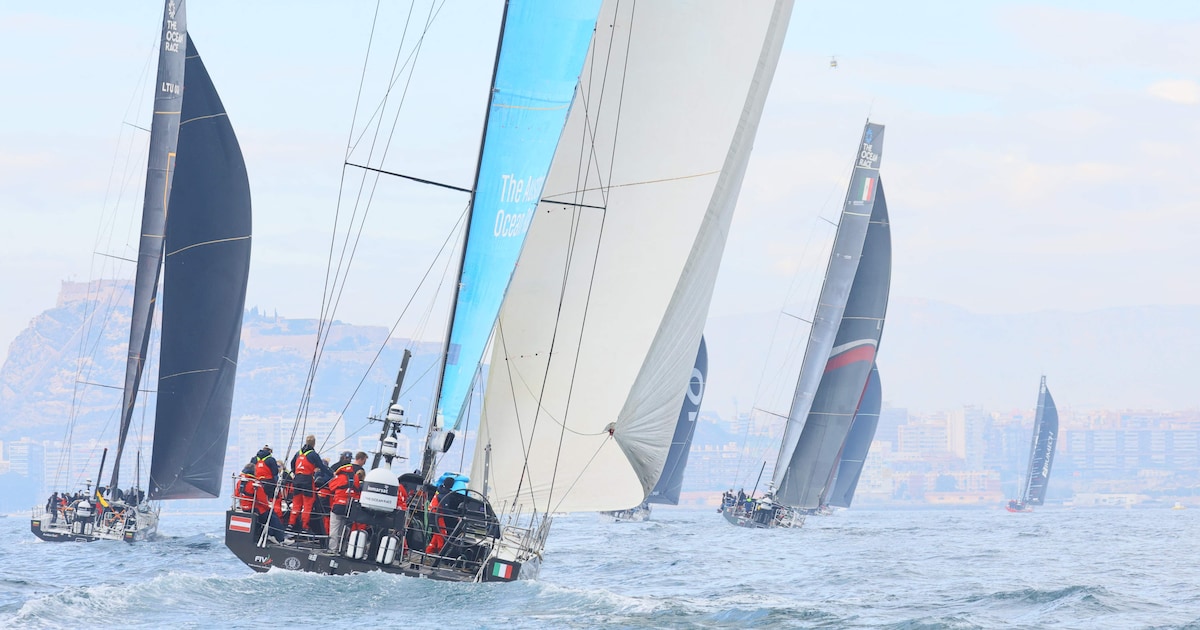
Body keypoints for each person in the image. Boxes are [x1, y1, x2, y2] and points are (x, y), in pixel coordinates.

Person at [289, 435, 333, 535]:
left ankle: (290, 524)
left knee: (296, 503)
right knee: (307, 504)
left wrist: (295, 472)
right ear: (314, 443)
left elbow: (292, 463)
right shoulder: (313, 454)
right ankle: (305, 526)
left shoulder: (298, 453)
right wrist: (332, 474)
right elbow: (322, 467)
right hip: (307, 480)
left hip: (297, 480)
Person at [325, 451, 367, 552]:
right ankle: (342, 549)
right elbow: (357, 489)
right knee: (345, 528)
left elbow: (331, 487)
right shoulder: (356, 478)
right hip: (349, 507)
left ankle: (332, 549)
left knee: (334, 528)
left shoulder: (340, 477)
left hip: (338, 505)